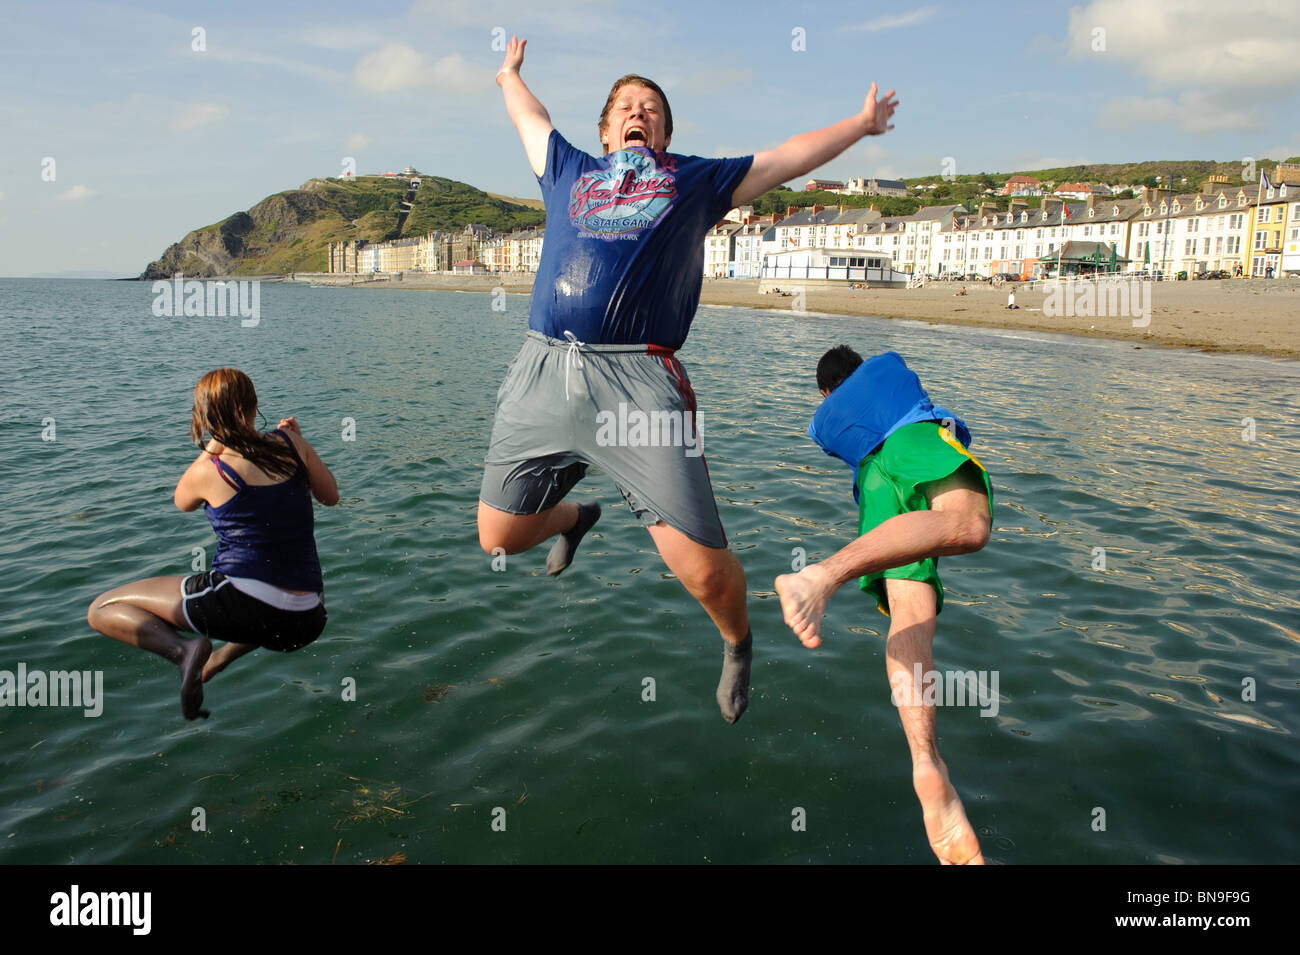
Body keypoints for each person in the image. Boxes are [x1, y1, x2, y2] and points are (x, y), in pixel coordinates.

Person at [481, 37, 898, 723]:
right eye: (624, 107)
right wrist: (507, 74)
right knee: (498, 537)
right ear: (606, 129)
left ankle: (737, 641)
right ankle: (575, 515)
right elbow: (530, 116)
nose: (636, 113)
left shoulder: (693, 182)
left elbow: (786, 157)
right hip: (544, 367)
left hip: (639, 379)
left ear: (666, 133)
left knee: (703, 570)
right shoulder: (567, 169)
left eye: (650, 108)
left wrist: (858, 126)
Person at [774, 346, 992, 864]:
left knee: (911, 619)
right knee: (969, 523)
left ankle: (927, 761)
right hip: (915, 442)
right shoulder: (888, 367)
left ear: (826, 393)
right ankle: (823, 575)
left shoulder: (824, 423)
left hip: (875, 486)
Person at [87, 369, 339, 720]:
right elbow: (330, 496)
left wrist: (214, 444)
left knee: (100, 608)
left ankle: (183, 651)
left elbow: (182, 501)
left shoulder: (212, 469)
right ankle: (218, 659)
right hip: (307, 618)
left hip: (242, 603)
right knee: (268, 601)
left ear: (204, 415)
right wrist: (300, 443)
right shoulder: (292, 444)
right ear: (254, 407)